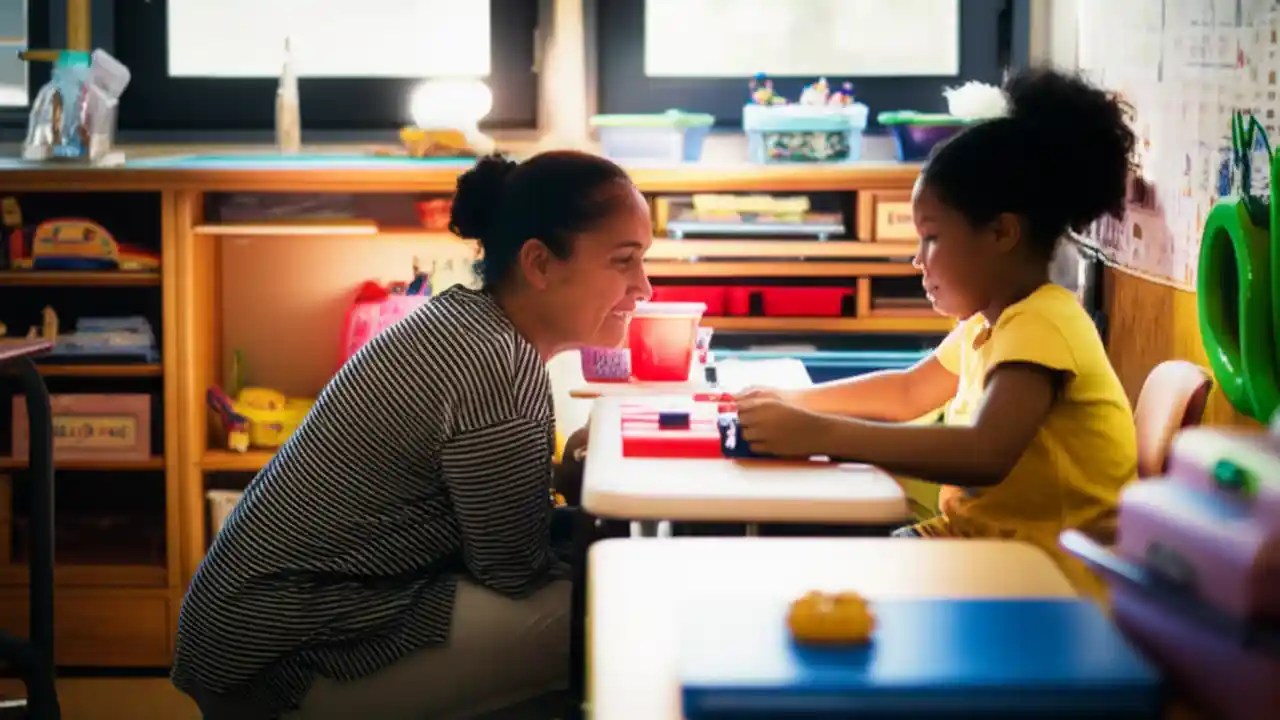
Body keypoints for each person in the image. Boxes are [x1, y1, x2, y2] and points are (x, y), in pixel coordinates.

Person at [172, 150, 653, 719]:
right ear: (540, 264)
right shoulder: (495, 361)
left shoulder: (463, 321)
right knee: (606, 620)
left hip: (252, 627)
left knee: (602, 580)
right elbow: (511, 570)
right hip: (276, 655)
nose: (643, 286)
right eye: (624, 262)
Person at [734, 67, 1137, 600]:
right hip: (986, 553)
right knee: (804, 573)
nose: (917, 259)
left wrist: (817, 433)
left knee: (806, 584)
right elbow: (907, 392)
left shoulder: (1043, 321)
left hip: (1044, 584)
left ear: (1001, 232)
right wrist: (793, 401)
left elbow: (984, 453)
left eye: (931, 238)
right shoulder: (990, 324)